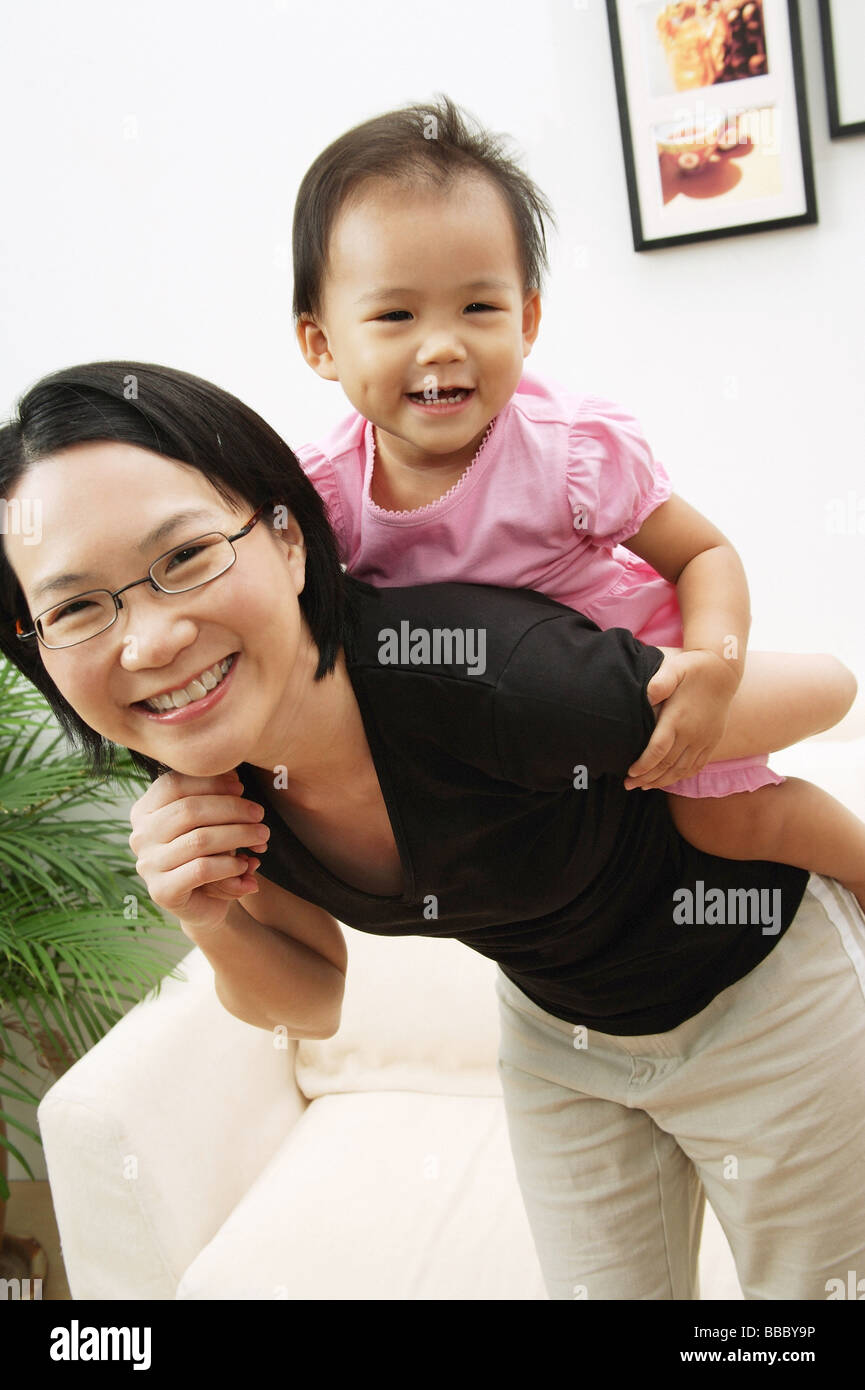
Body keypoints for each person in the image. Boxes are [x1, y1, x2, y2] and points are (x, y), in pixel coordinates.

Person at [2, 360, 864, 1301]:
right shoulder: (214, 777)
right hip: (561, 1037)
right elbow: (310, 1001)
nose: (150, 640)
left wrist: (661, 704)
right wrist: (207, 916)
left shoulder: (494, 679)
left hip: (761, 996)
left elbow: (825, 688)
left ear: (288, 540)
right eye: (77, 606)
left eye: (184, 556)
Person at [289, 95, 865, 909]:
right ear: (321, 342)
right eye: (394, 314)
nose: (443, 343)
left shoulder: (567, 451)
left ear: (525, 320)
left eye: (478, 308)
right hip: (535, 737)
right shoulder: (327, 498)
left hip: (647, 670)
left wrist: (711, 669)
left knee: (732, 813)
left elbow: (704, 554)